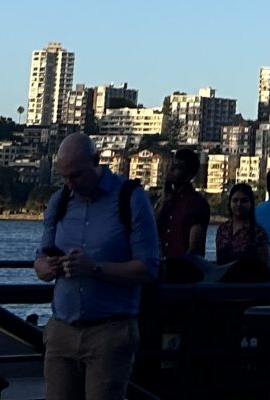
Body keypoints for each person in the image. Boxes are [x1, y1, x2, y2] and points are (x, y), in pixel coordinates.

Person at [33, 132, 160, 400]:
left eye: (76, 176)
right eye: (64, 177)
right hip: (62, 330)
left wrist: (95, 269)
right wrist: (46, 267)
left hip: (110, 332)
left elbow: (148, 268)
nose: (70, 184)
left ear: (96, 161)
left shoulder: (131, 198)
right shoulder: (61, 200)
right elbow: (41, 256)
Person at [151, 150, 209, 282]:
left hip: (183, 276)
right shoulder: (164, 202)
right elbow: (151, 231)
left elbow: (194, 247)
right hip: (160, 271)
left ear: (188, 175)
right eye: (171, 166)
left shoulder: (196, 204)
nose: (170, 172)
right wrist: (164, 200)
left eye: (177, 168)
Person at [214, 183, 270, 280]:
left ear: (251, 204)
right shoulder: (223, 229)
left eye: (244, 201)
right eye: (235, 200)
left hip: (248, 288)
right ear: (230, 203)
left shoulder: (258, 233)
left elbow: (264, 267)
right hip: (223, 287)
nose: (239, 204)